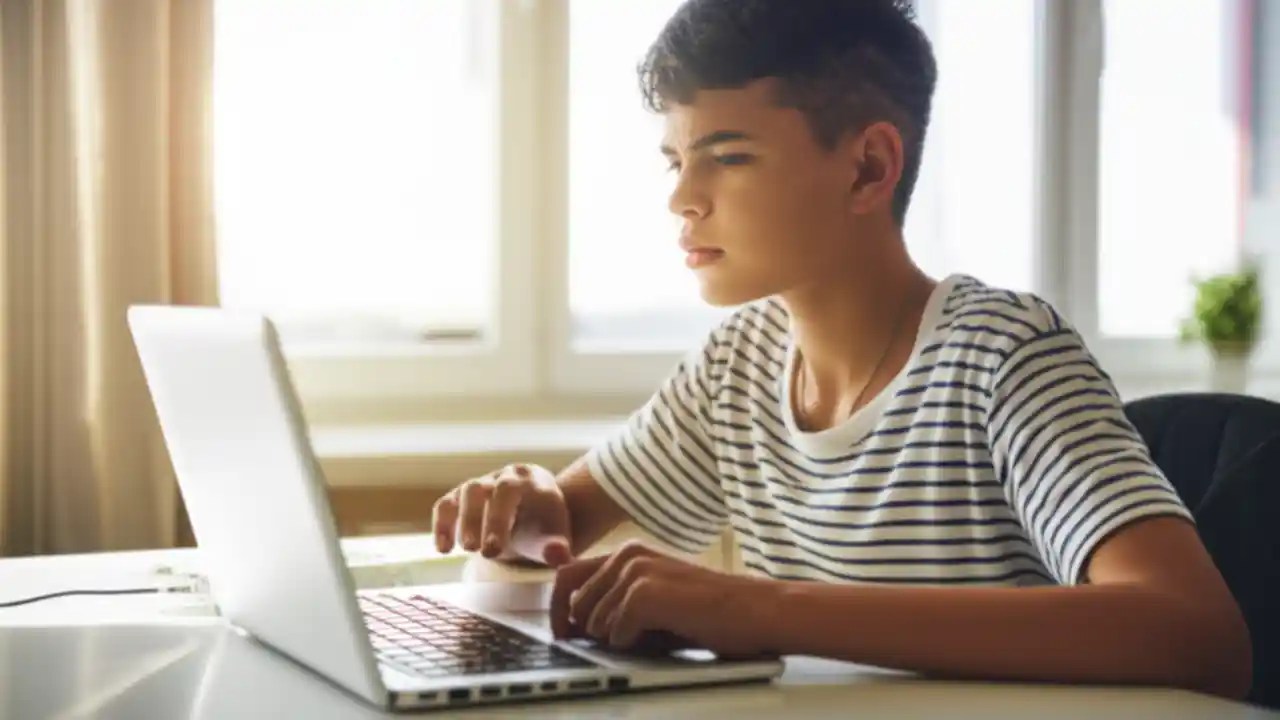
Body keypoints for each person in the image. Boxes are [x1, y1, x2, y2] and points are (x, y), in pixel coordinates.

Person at [431, 0, 1251, 698]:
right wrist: (530, 506)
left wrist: (755, 606)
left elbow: (1195, 634)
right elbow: (563, 521)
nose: (682, 197)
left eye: (728, 157)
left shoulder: (1004, 358)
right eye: (676, 160)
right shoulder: (737, 365)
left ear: (867, 168)